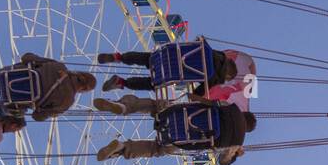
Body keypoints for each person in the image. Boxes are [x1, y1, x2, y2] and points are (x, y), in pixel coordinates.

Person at [95, 105, 256, 165]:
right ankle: (124, 148)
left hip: (180, 114)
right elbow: (223, 161)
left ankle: (123, 106)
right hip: (184, 138)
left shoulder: (231, 108)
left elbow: (209, 102)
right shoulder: (237, 141)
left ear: (243, 112)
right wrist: (235, 154)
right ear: (246, 130)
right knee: (158, 149)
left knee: (157, 106)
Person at [96, 45, 235, 95]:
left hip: (170, 54)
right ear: (227, 74)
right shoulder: (214, 77)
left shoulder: (210, 50)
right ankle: (122, 82)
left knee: (148, 59)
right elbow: (198, 93)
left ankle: (118, 57)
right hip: (173, 73)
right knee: (153, 83)